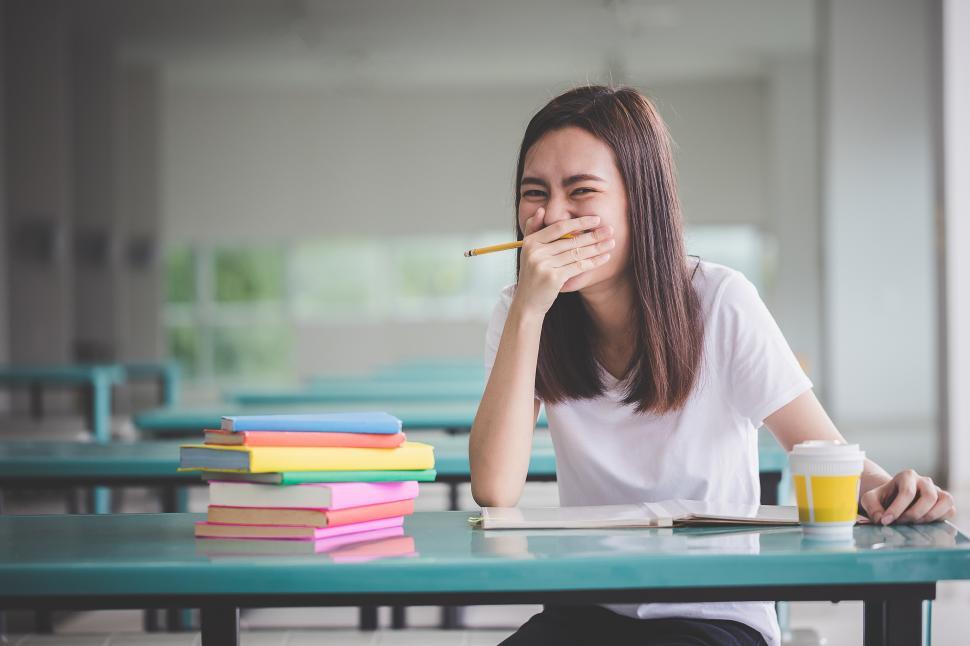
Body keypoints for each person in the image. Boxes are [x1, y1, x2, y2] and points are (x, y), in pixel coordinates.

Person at [468, 85, 956, 646]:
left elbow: (819, 450)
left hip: (713, 612)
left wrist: (892, 490)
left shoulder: (720, 300)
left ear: (638, 201)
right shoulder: (520, 310)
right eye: (535, 194)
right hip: (589, 607)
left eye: (581, 192)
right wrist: (529, 311)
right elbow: (495, 490)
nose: (551, 217)